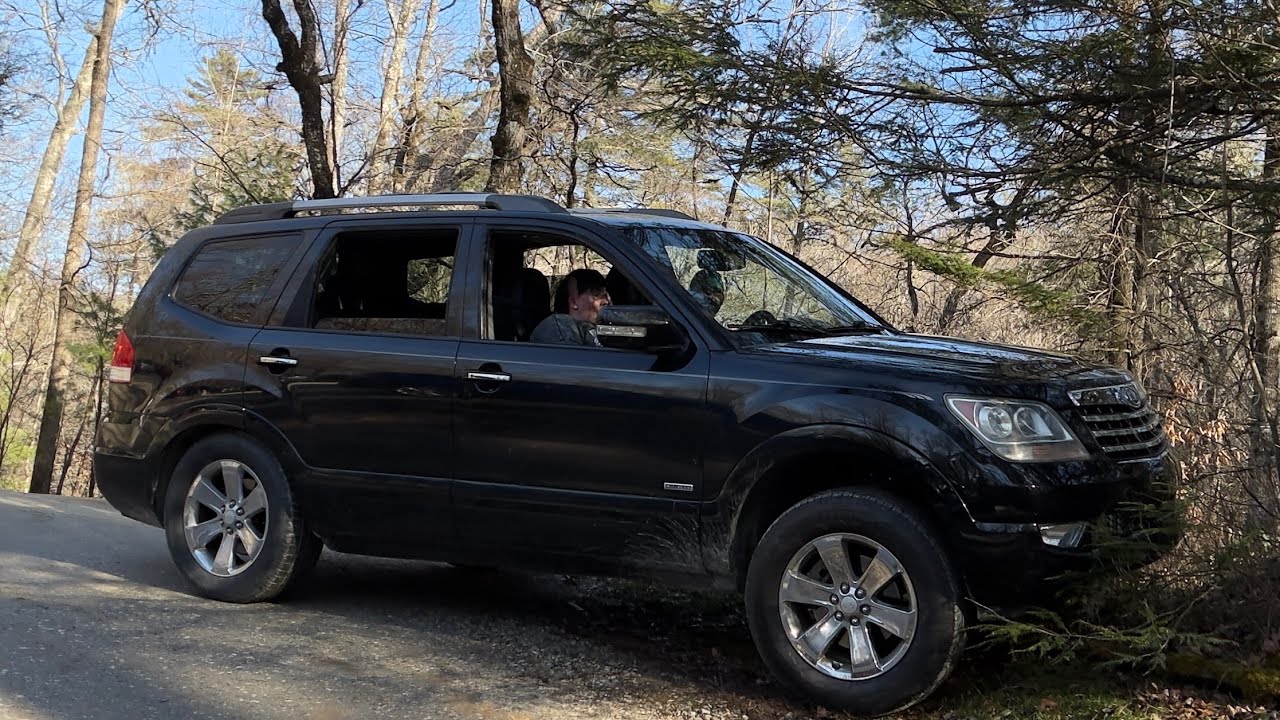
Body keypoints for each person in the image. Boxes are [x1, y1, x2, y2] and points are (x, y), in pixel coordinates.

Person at [530, 268, 611, 346]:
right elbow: (572, 358)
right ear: (573, 302)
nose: (606, 302)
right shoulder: (558, 327)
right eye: (596, 295)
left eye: (606, 296)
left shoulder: (609, 329)